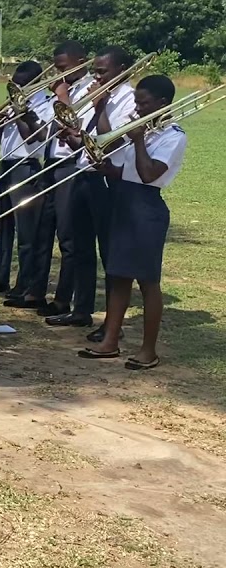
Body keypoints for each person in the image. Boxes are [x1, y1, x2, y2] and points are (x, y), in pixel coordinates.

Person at [83, 75, 183, 370]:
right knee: (119, 276)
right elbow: (124, 171)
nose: (137, 108)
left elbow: (148, 173)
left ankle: (148, 351)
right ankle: (110, 341)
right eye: (137, 102)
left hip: (146, 209)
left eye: (144, 103)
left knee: (148, 282)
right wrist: (104, 167)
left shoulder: (173, 135)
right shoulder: (143, 130)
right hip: (124, 204)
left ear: (162, 103)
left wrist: (138, 140)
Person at [48, 46, 137, 342]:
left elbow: (110, 143)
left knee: (109, 254)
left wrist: (100, 108)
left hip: (108, 181)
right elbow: (88, 141)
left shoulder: (129, 98)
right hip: (84, 175)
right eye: (96, 71)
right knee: (81, 247)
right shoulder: (96, 93)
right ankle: (81, 309)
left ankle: (113, 323)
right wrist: (72, 136)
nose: (97, 77)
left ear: (123, 68)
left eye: (103, 71)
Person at [0, 61, 51, 301]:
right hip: (6, 165)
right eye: (15, 85)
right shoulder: (16, 104)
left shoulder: (45, 106)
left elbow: (32, 140)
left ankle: (24, 284)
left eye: (23, 85)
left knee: (26, 232)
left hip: (26, 167)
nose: (18, 89)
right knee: (2, 227)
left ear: (36, 84)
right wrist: (0, 120)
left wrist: (19, 114)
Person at [30, 42, 93, 316]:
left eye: (63, 67)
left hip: (71, 165)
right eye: (56, 67)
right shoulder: (63, 90)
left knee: (68, 237)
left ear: (82, 61)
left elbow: (74, 125)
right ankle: (35, 291)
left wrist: (62, 95)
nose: (58, 72)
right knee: (42, 230)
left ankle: (63, 299)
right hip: (51, 162)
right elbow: (49, 130)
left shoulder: (90, 92)